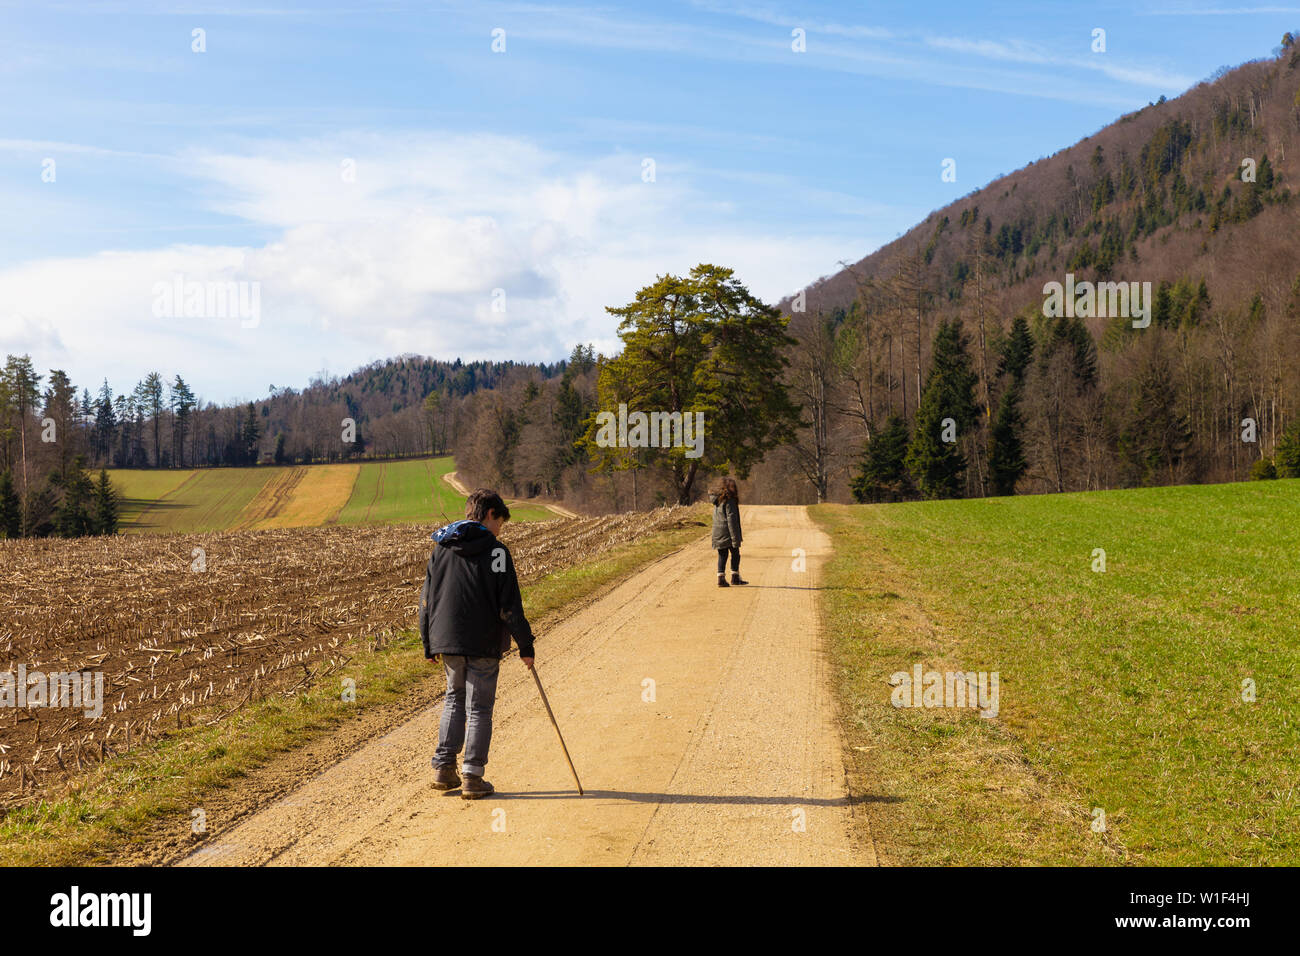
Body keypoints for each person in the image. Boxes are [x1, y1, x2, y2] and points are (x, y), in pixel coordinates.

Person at [419, 487, 535, 799]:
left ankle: (443, 770)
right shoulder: (496, 553)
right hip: (483, 641)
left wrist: (428, 642)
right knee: (479, 706)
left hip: (448, 641)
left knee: (455, 700)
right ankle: (472, 776)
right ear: (489, 515)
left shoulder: (441, 549)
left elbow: (427, 602)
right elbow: (508, 605)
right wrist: (526, 645)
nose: (500, 529)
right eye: (500, 521)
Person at [708, 476, 746, 587]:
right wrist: (735, 539)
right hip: (728, 533)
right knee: (735, 554)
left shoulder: (718, 500)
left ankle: (721, 579)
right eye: (733, 486)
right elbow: (731, 520)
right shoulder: (730, 500)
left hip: (718, 532)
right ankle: (735, 577)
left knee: (722, 555)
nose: (735, 489)